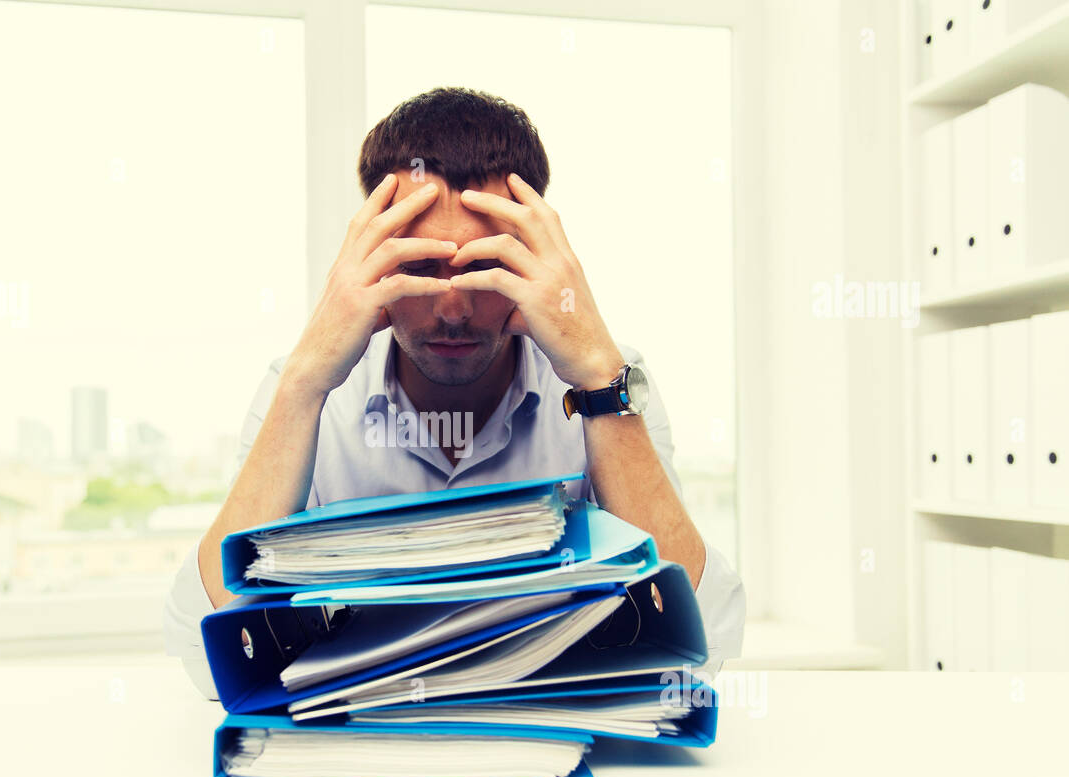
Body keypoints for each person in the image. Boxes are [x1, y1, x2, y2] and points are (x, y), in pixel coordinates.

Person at [165, 87, 744, 698]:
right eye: (418, 266)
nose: (454, 307)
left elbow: (702, 645)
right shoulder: (305, 386)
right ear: (371, 263)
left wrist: (600, 380)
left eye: (483, 266)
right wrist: (307, 377)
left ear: (536, 259)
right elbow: (206, 656)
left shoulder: (608, 380)